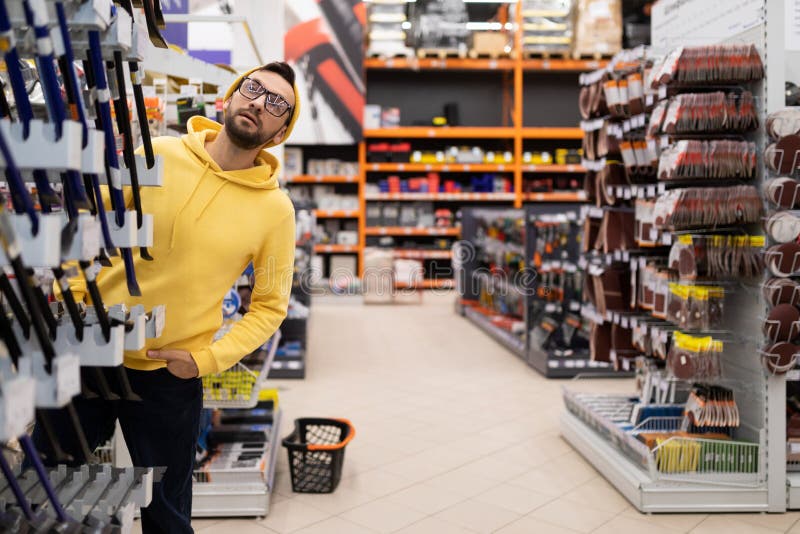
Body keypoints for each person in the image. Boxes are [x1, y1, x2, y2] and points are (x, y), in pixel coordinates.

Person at [34, 62, 299, 533]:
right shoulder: (158, 152)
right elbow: (90, 227)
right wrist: (69, 298)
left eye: (276, 103)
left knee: (167, 514)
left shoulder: (275, 210)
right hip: (89, 349)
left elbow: (270, 306)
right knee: (47, 489)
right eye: (254, 88)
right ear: (230, 97)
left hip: (167, 375)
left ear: (279, 133)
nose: (259, 103)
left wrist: (205, 360)